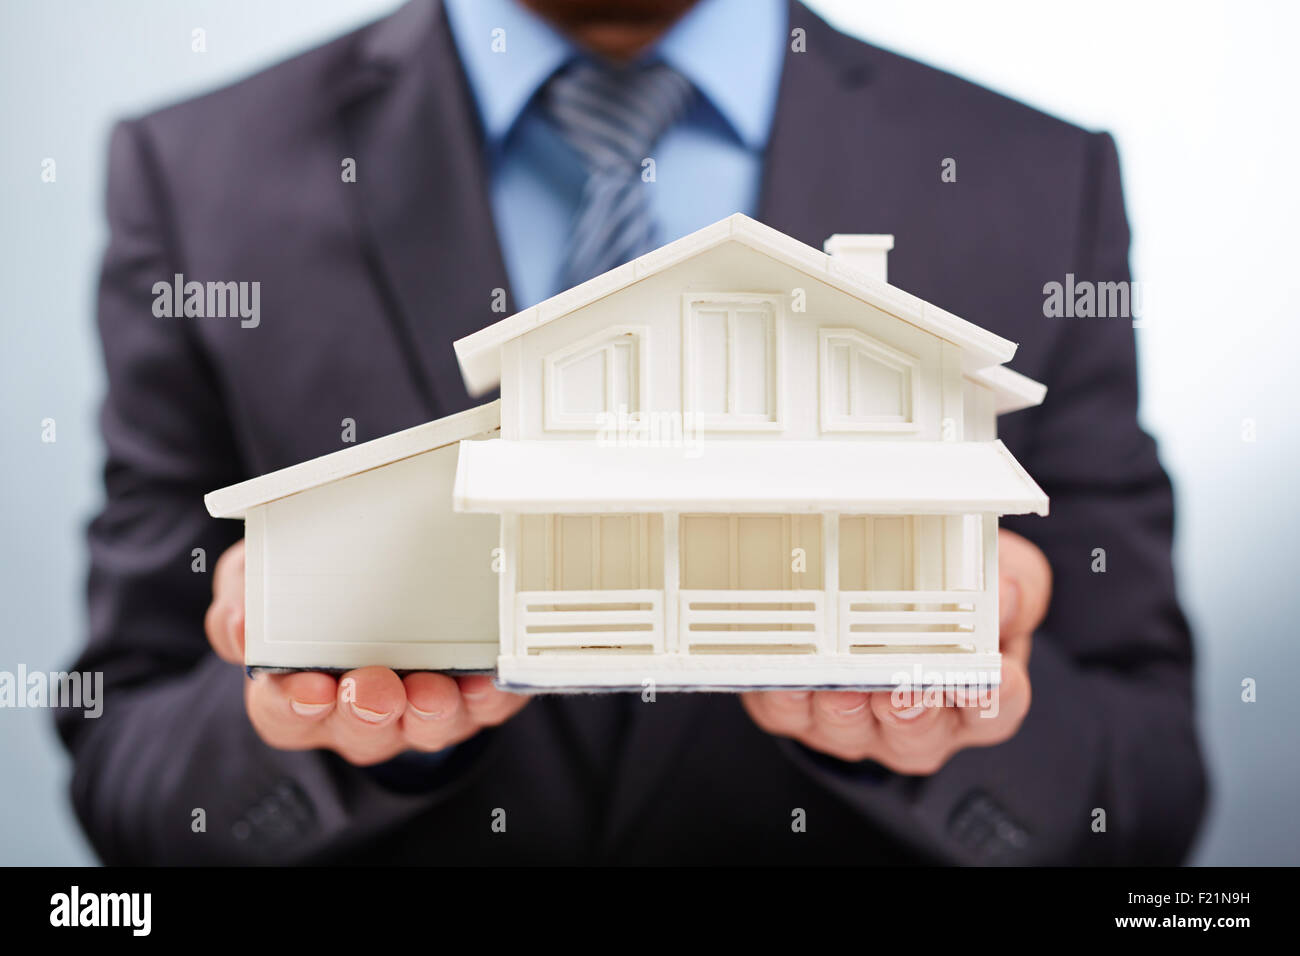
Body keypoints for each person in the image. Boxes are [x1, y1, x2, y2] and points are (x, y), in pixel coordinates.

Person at [57, 0, 1206, 864]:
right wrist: (316, 720)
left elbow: (1150, 783)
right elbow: (124, 770)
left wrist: (955, 718)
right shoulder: (197, 174)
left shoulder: (1038, 177)